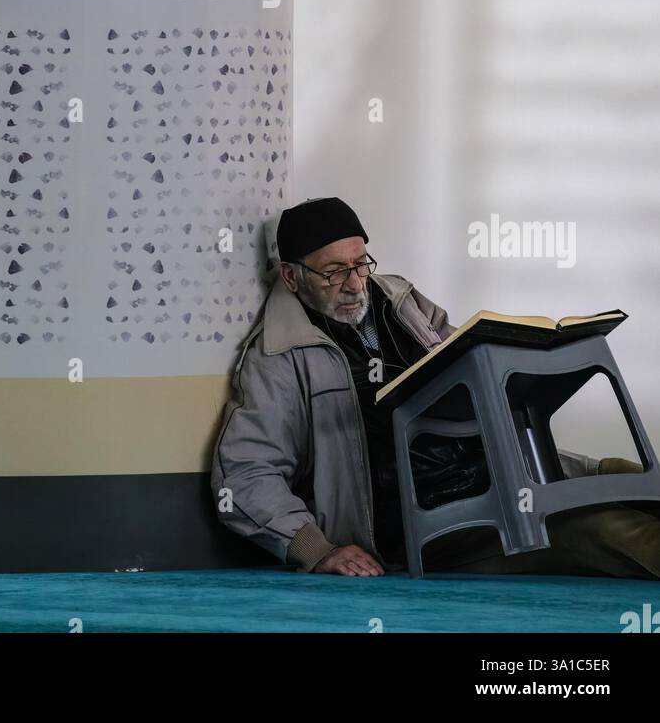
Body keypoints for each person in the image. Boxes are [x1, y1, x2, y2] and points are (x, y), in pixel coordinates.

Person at [211, 196, 660, 577]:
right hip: (428, 522)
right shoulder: (276, 356)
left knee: (635, 478)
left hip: (502, 470)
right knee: (607, 529)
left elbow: (464, 361)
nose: (354, 283)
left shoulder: (400, 299)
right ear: (292, 277)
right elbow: (246, 475)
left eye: (360, 264)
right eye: (334, 272)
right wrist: (317, 550)